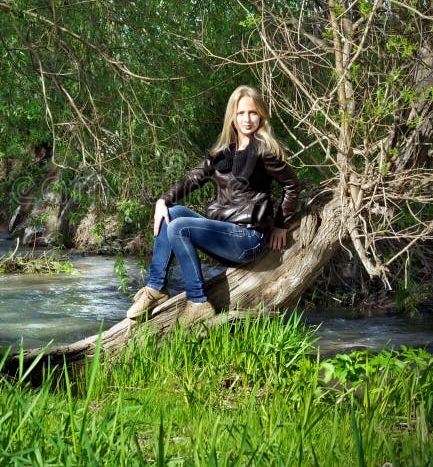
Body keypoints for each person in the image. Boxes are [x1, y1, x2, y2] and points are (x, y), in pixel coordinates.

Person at [127, 85, 302, 325]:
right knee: (172, 213)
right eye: (241, 113)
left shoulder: (265, 151)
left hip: (248, 238)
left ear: (261, 115)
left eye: (252, 113)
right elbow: (193, 178)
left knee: (180, 227)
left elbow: (292, 185)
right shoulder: (223, 151)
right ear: (232, 115)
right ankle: (155, 288)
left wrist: (282, 224)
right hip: (224, 235)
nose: (247, 119)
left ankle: (198, 302)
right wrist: (162, 200)